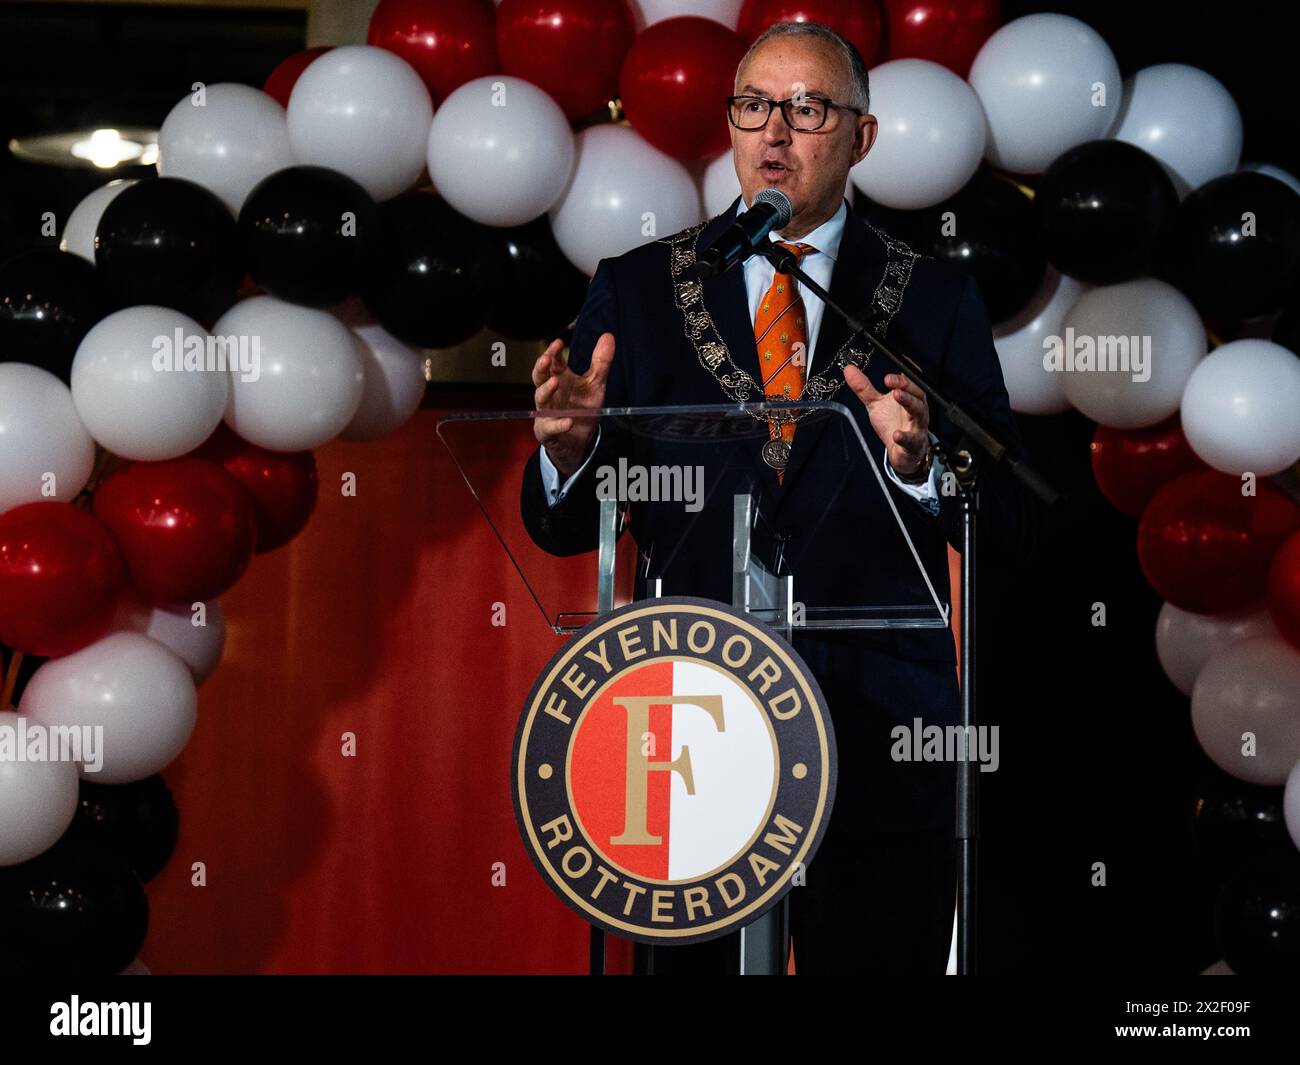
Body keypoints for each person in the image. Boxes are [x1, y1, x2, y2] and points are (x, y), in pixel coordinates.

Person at [520, 20, 1042, 974]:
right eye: (754, 105)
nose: (774, 134)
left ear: (861, 137)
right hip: (688, 743)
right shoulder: (638, 289)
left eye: (807, 110)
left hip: (882, 734)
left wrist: (924, 466)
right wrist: (572, 449)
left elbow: (1006, 518)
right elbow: (555, 523)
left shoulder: (930, 297)